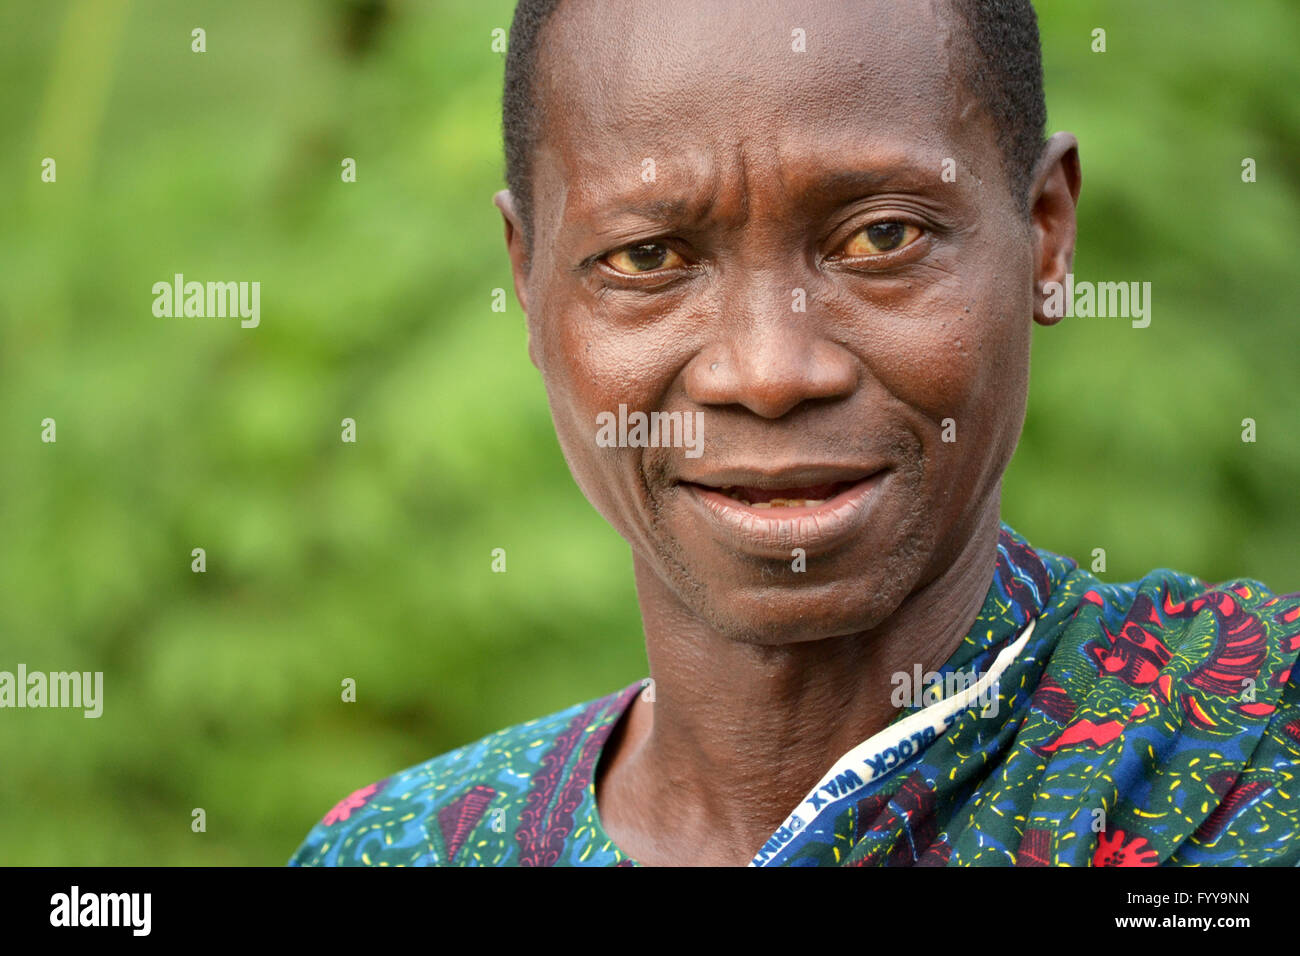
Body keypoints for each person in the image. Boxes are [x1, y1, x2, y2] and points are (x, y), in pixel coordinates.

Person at [288, 0, 1300, 867]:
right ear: (527, 278)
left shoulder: (1250, 750)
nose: (769, 371)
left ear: (1043, 232)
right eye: (647, 255)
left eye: (881, 237)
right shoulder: (407, 845)